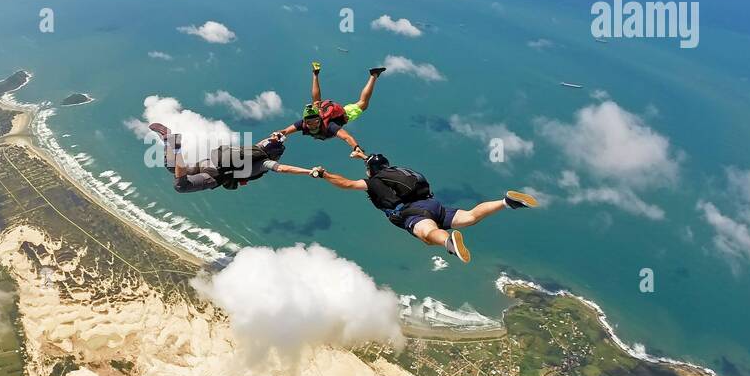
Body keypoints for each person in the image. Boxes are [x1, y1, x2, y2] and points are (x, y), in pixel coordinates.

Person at [310, 153, 537, 262]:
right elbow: (374, 164)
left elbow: (347, 184)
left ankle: (448, 242)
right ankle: (507, 202)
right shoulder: (397, 171)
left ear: (371, 171)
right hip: (434, 204)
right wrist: (363, 155)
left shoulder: (373, 182)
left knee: (427, 235)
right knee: (469, 217)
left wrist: (325, 174)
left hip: (414, 212)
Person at [147, 123, 315, 192]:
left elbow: (268, 140)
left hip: (209, 161)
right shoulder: (265, 162)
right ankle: (176, 148)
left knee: (173, 168)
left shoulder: (256, 148)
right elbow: (283, 169)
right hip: (214, 174)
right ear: (275, 156)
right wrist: (308, 172)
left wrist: (280, 136)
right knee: (181, 185)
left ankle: (169, 140)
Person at [271, 61, 385, 158]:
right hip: (321, 110)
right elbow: (285, 131)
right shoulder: (302, 124)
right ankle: (315, 74)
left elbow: (346, 136)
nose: (312, 124)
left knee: (363, 104)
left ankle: (373, 75)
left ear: (319, 119)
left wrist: (355, 147)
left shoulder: (329, 126)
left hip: (343, 114)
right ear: (305, 121)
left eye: (315, 121)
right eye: (309, 122)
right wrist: (277, 135)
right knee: (316, 103)